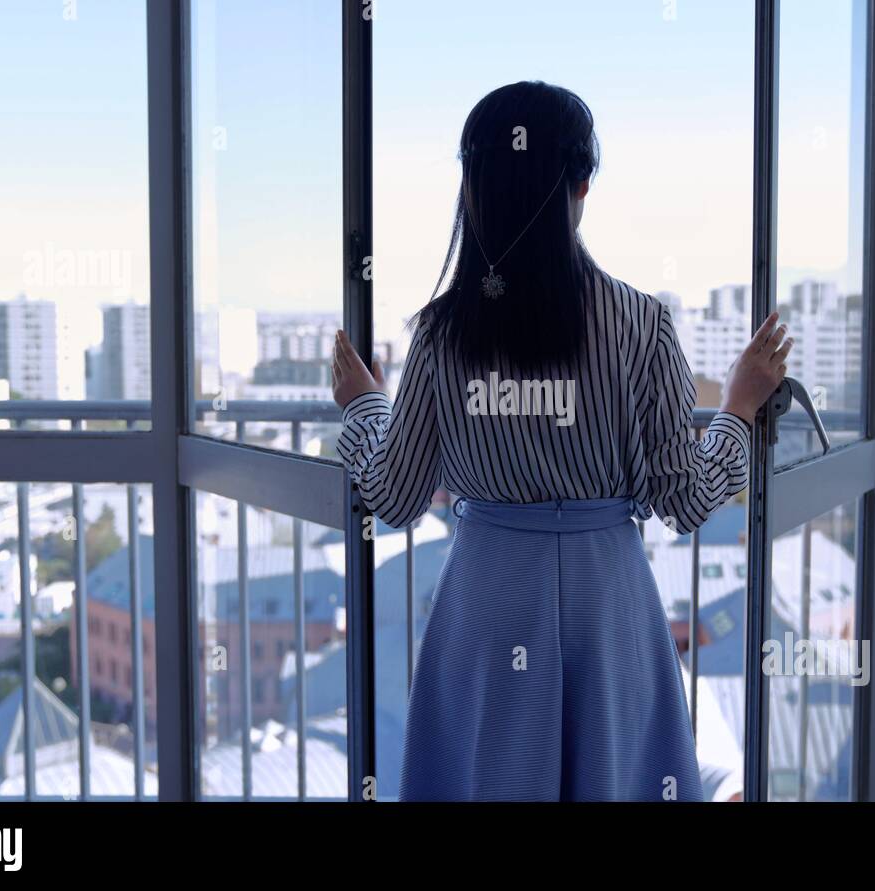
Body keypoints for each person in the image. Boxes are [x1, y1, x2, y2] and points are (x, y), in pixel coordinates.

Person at [332, 81, 792, 801]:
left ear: (473, 185)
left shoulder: (441, 333)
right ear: (582, 184)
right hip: (606, 604)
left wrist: (365, 407)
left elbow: (393, 496)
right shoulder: (642, 323)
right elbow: (687, 500)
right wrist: (736, 407)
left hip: (486, 601)